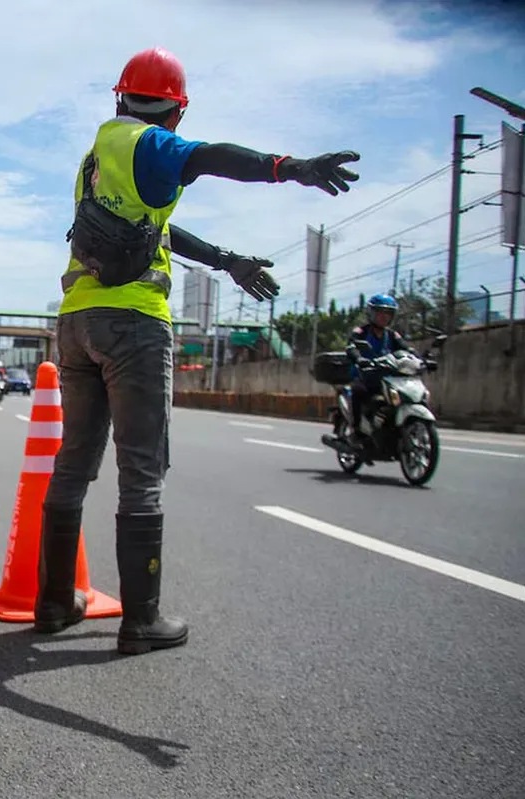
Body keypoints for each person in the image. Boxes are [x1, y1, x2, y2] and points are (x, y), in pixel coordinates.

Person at [35, 46, 362, 656]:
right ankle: (142, 621)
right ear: (176, 112)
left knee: (73, 463)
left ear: (119, 97)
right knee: (142, 471)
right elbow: (212, 159)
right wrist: (290, 167)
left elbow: (153, 228)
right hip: (133, 322)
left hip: (76, 320)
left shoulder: (96, 157)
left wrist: (224, 259)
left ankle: (55, 603)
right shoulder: (152, 145)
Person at [344, 294, 408, 445]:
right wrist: (359, 359)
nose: (384, 317)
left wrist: (422, 359)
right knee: (358, 392)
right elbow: (351, 346)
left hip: (387, 378)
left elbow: (406, 349)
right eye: (380, 312)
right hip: (364, 376)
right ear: (371, 313)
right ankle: (356, 430)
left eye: (388, 313)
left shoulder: (392, 335)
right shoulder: (361, 332)